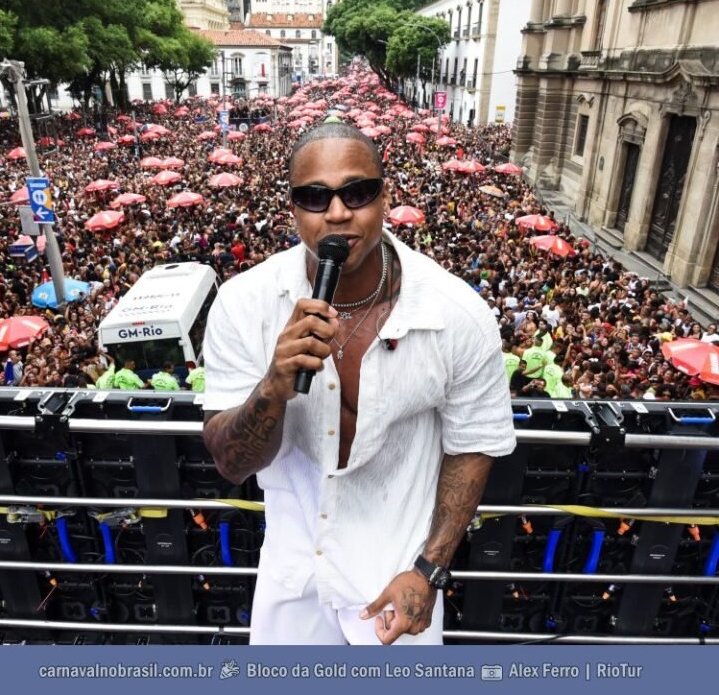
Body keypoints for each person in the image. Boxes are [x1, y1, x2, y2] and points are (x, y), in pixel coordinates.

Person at [202, 123, 516, 646]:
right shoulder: (244, 304)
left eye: (357, 191)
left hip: (398, 583)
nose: (338, 212)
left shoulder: (457, 313)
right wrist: (274, 386)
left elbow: (474, 446)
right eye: (314, 196)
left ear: (386, 196)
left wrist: (429, 571)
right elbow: (232, 465)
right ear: (293, 208)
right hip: (294, 580)